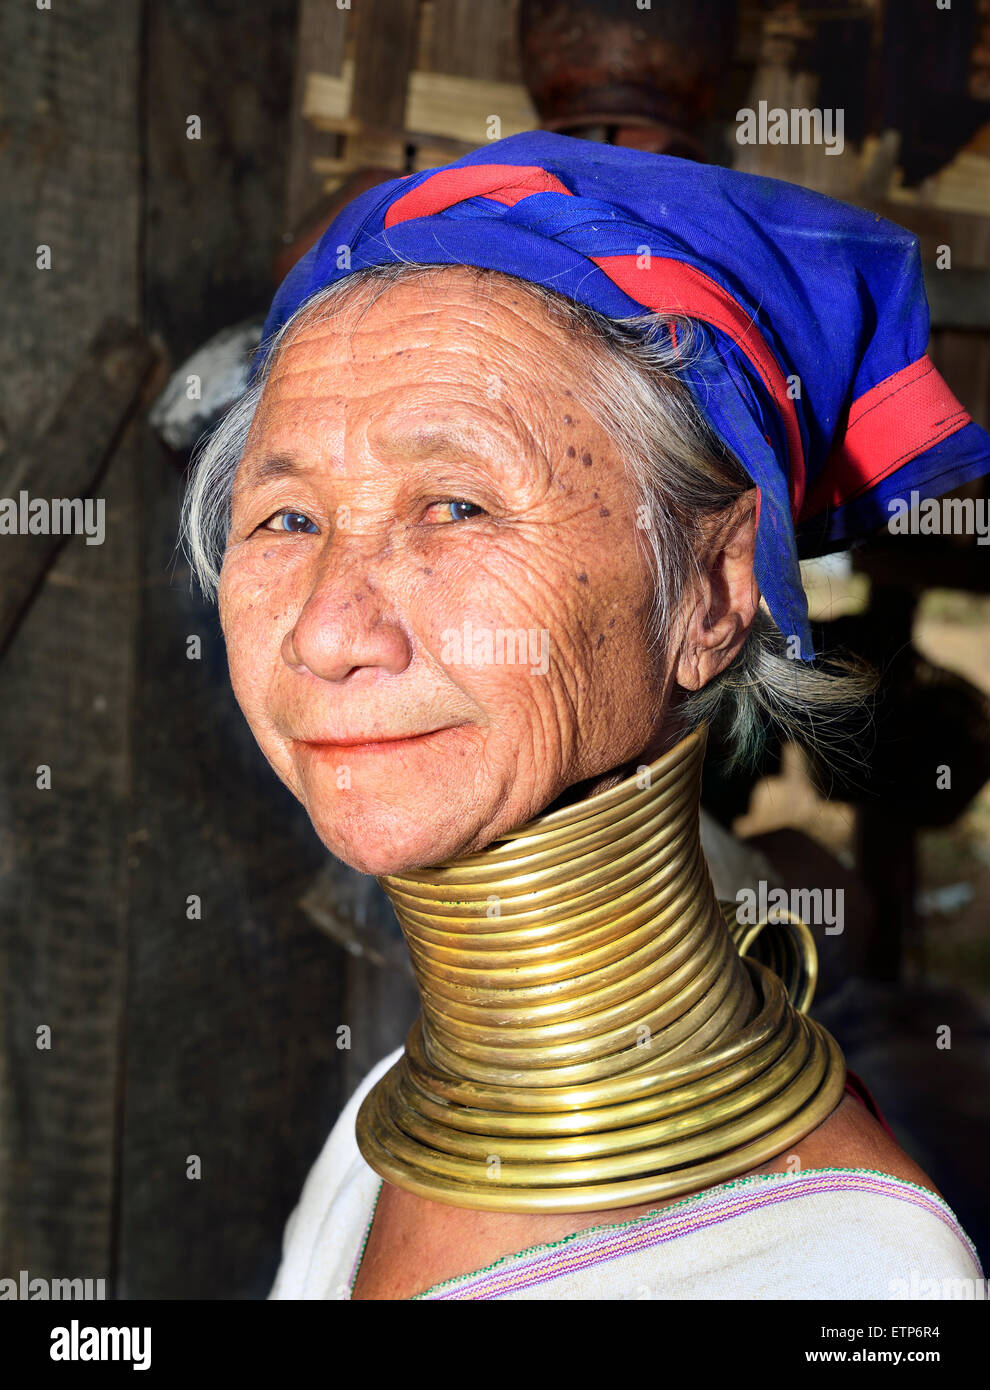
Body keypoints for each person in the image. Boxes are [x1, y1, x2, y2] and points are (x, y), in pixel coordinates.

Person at [182, 133, 988, 1300]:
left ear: (710, 593)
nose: (323, 630)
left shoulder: (848, 1278)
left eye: (454, 504)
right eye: (287, 518)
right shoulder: (385, 1131)